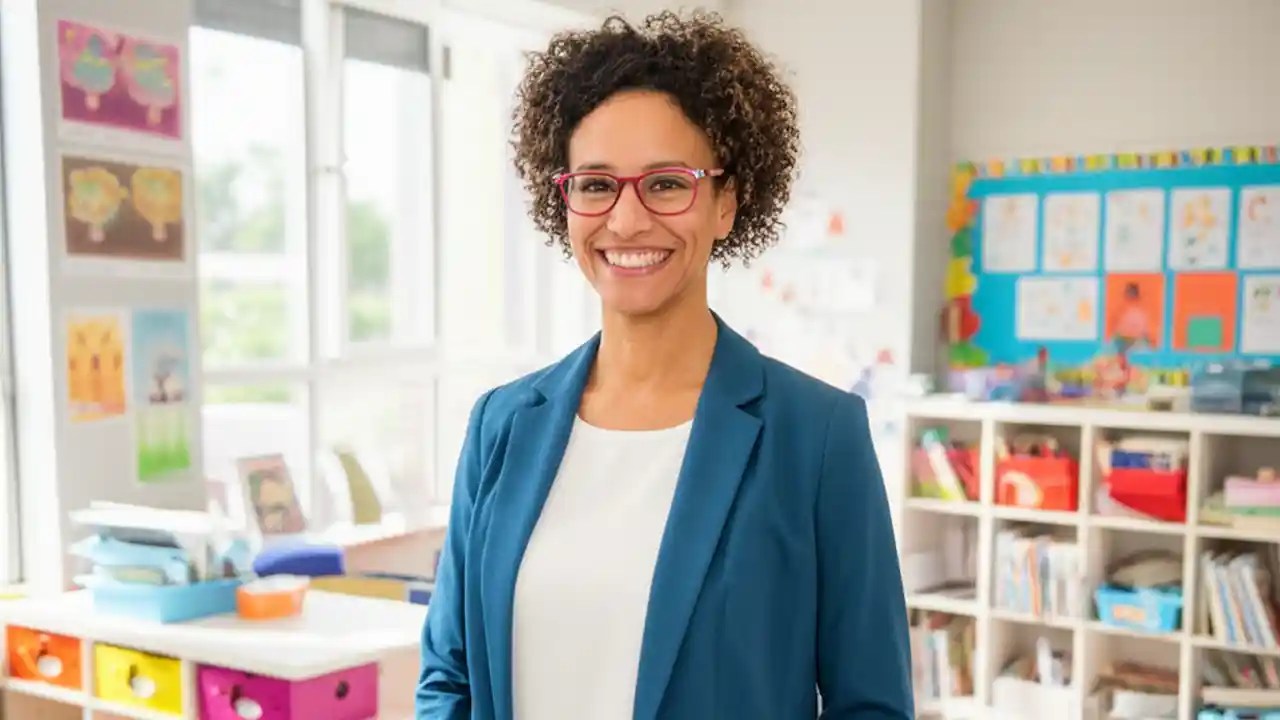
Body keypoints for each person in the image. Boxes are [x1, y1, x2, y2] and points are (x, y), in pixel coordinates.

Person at [417, 11, 912, 720]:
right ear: (564, 204)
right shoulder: (501, 425)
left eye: (667, 183)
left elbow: (872, 705)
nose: (625, 220)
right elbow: (450, 678)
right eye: (595, 185)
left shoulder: (818, 436)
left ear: (726, 204)